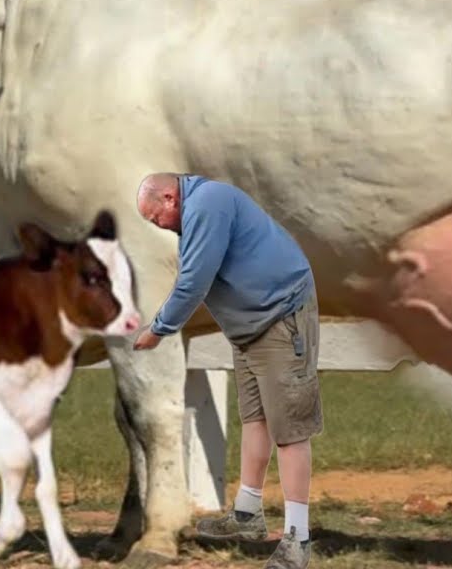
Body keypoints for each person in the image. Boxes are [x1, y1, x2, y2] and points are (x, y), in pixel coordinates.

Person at [133, 172, 322, 569]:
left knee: (289, 430)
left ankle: (297, 539)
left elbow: (193, 283)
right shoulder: (197, 210)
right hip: (252, 326)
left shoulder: (207, 206)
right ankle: (248, 514)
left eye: (156, 218)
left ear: (170, 198)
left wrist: (158, 329)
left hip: (280, 317)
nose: (158, 227)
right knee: (256, 419)